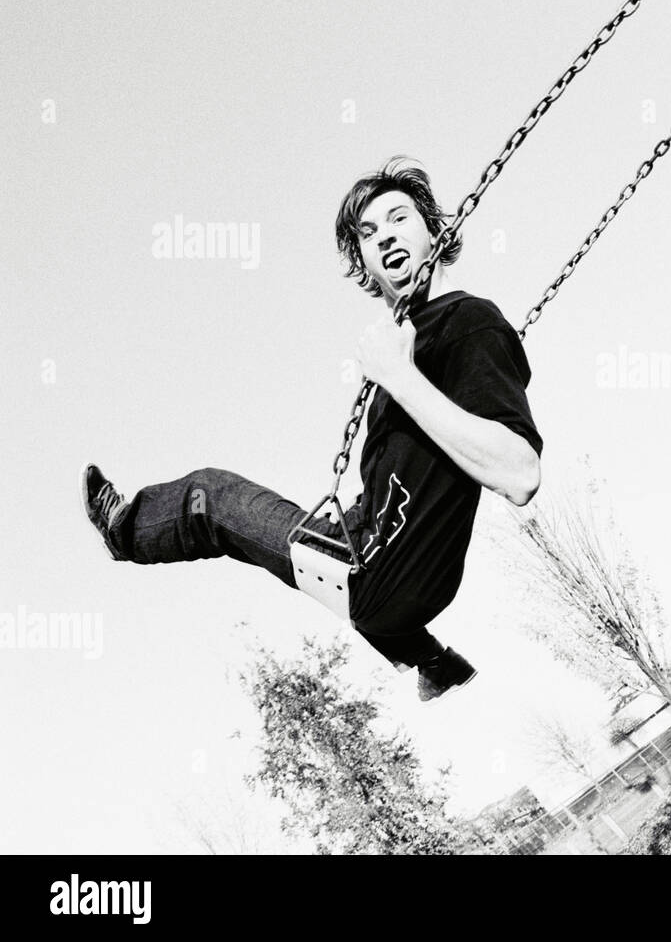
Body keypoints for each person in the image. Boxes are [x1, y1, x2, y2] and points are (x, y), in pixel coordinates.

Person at [81, 157, 543, 702]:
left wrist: (398, 375)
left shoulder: (468, 321)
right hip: (383, 559)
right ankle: (433, 661)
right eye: (368, 234)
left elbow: (519, 474)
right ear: (364, 264)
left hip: (377, 566)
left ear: (434, 231)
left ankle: (126, 531)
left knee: (211, 497)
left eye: (399, 218)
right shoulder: (416, 335)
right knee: (337, 552)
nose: (385, 237)